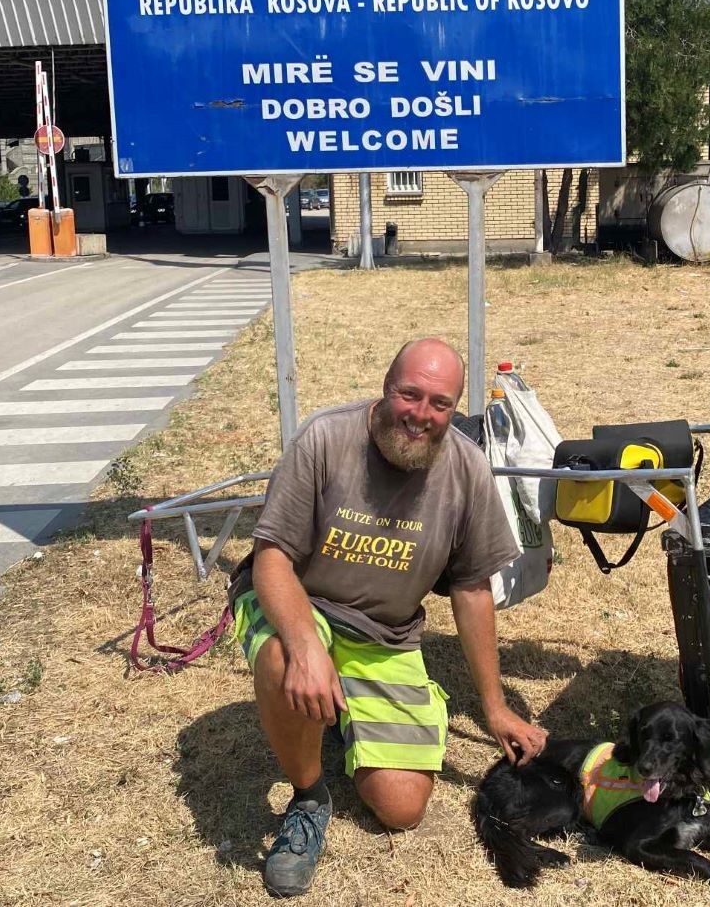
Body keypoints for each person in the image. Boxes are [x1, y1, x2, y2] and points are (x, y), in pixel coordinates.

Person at [227, 337, 548, 898]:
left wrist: (496, 709)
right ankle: (308, 798)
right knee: (284, 662)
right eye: (410, 394)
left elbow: (471, 590)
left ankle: (337, 713)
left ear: (455, 409)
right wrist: (306, 649)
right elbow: (272, 558)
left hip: (384, 633)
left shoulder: (467, 471)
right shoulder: (326, 439)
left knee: (402, 809)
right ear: (385, 385)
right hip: (303, 605)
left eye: (440, 404)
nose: (421, 415)